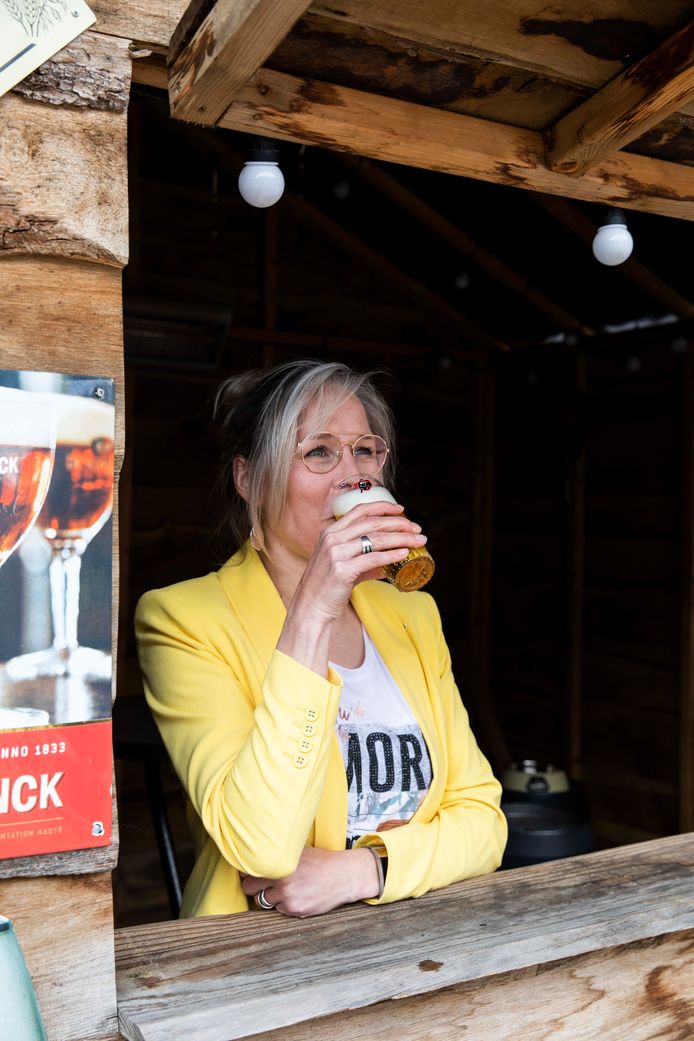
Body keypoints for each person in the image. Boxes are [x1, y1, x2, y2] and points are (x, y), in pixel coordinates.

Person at [135, 360, 506, 918]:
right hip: (252, 963)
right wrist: (312, 609)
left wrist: (365, 870)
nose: (351, 476)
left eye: (364, 451)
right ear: (247, 479)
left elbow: (485, 822)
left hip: (417, 949)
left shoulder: (413, 615)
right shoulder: (182, 620)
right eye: (318, 452)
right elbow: (259, 844)